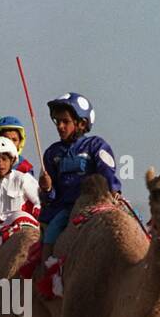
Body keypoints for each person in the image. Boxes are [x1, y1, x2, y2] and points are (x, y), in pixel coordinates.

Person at [38, 92, 120, 250]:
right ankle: (45, 269)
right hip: (67, 210)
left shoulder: (96, 146)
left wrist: (114, 191)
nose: (60, 126)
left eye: (65, 121)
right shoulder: (51, 153)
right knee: (50, 235)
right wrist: (47, 188)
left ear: (81, 123)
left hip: (97, 205)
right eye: (57, 121)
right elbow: (51, 197)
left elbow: (107, 175)